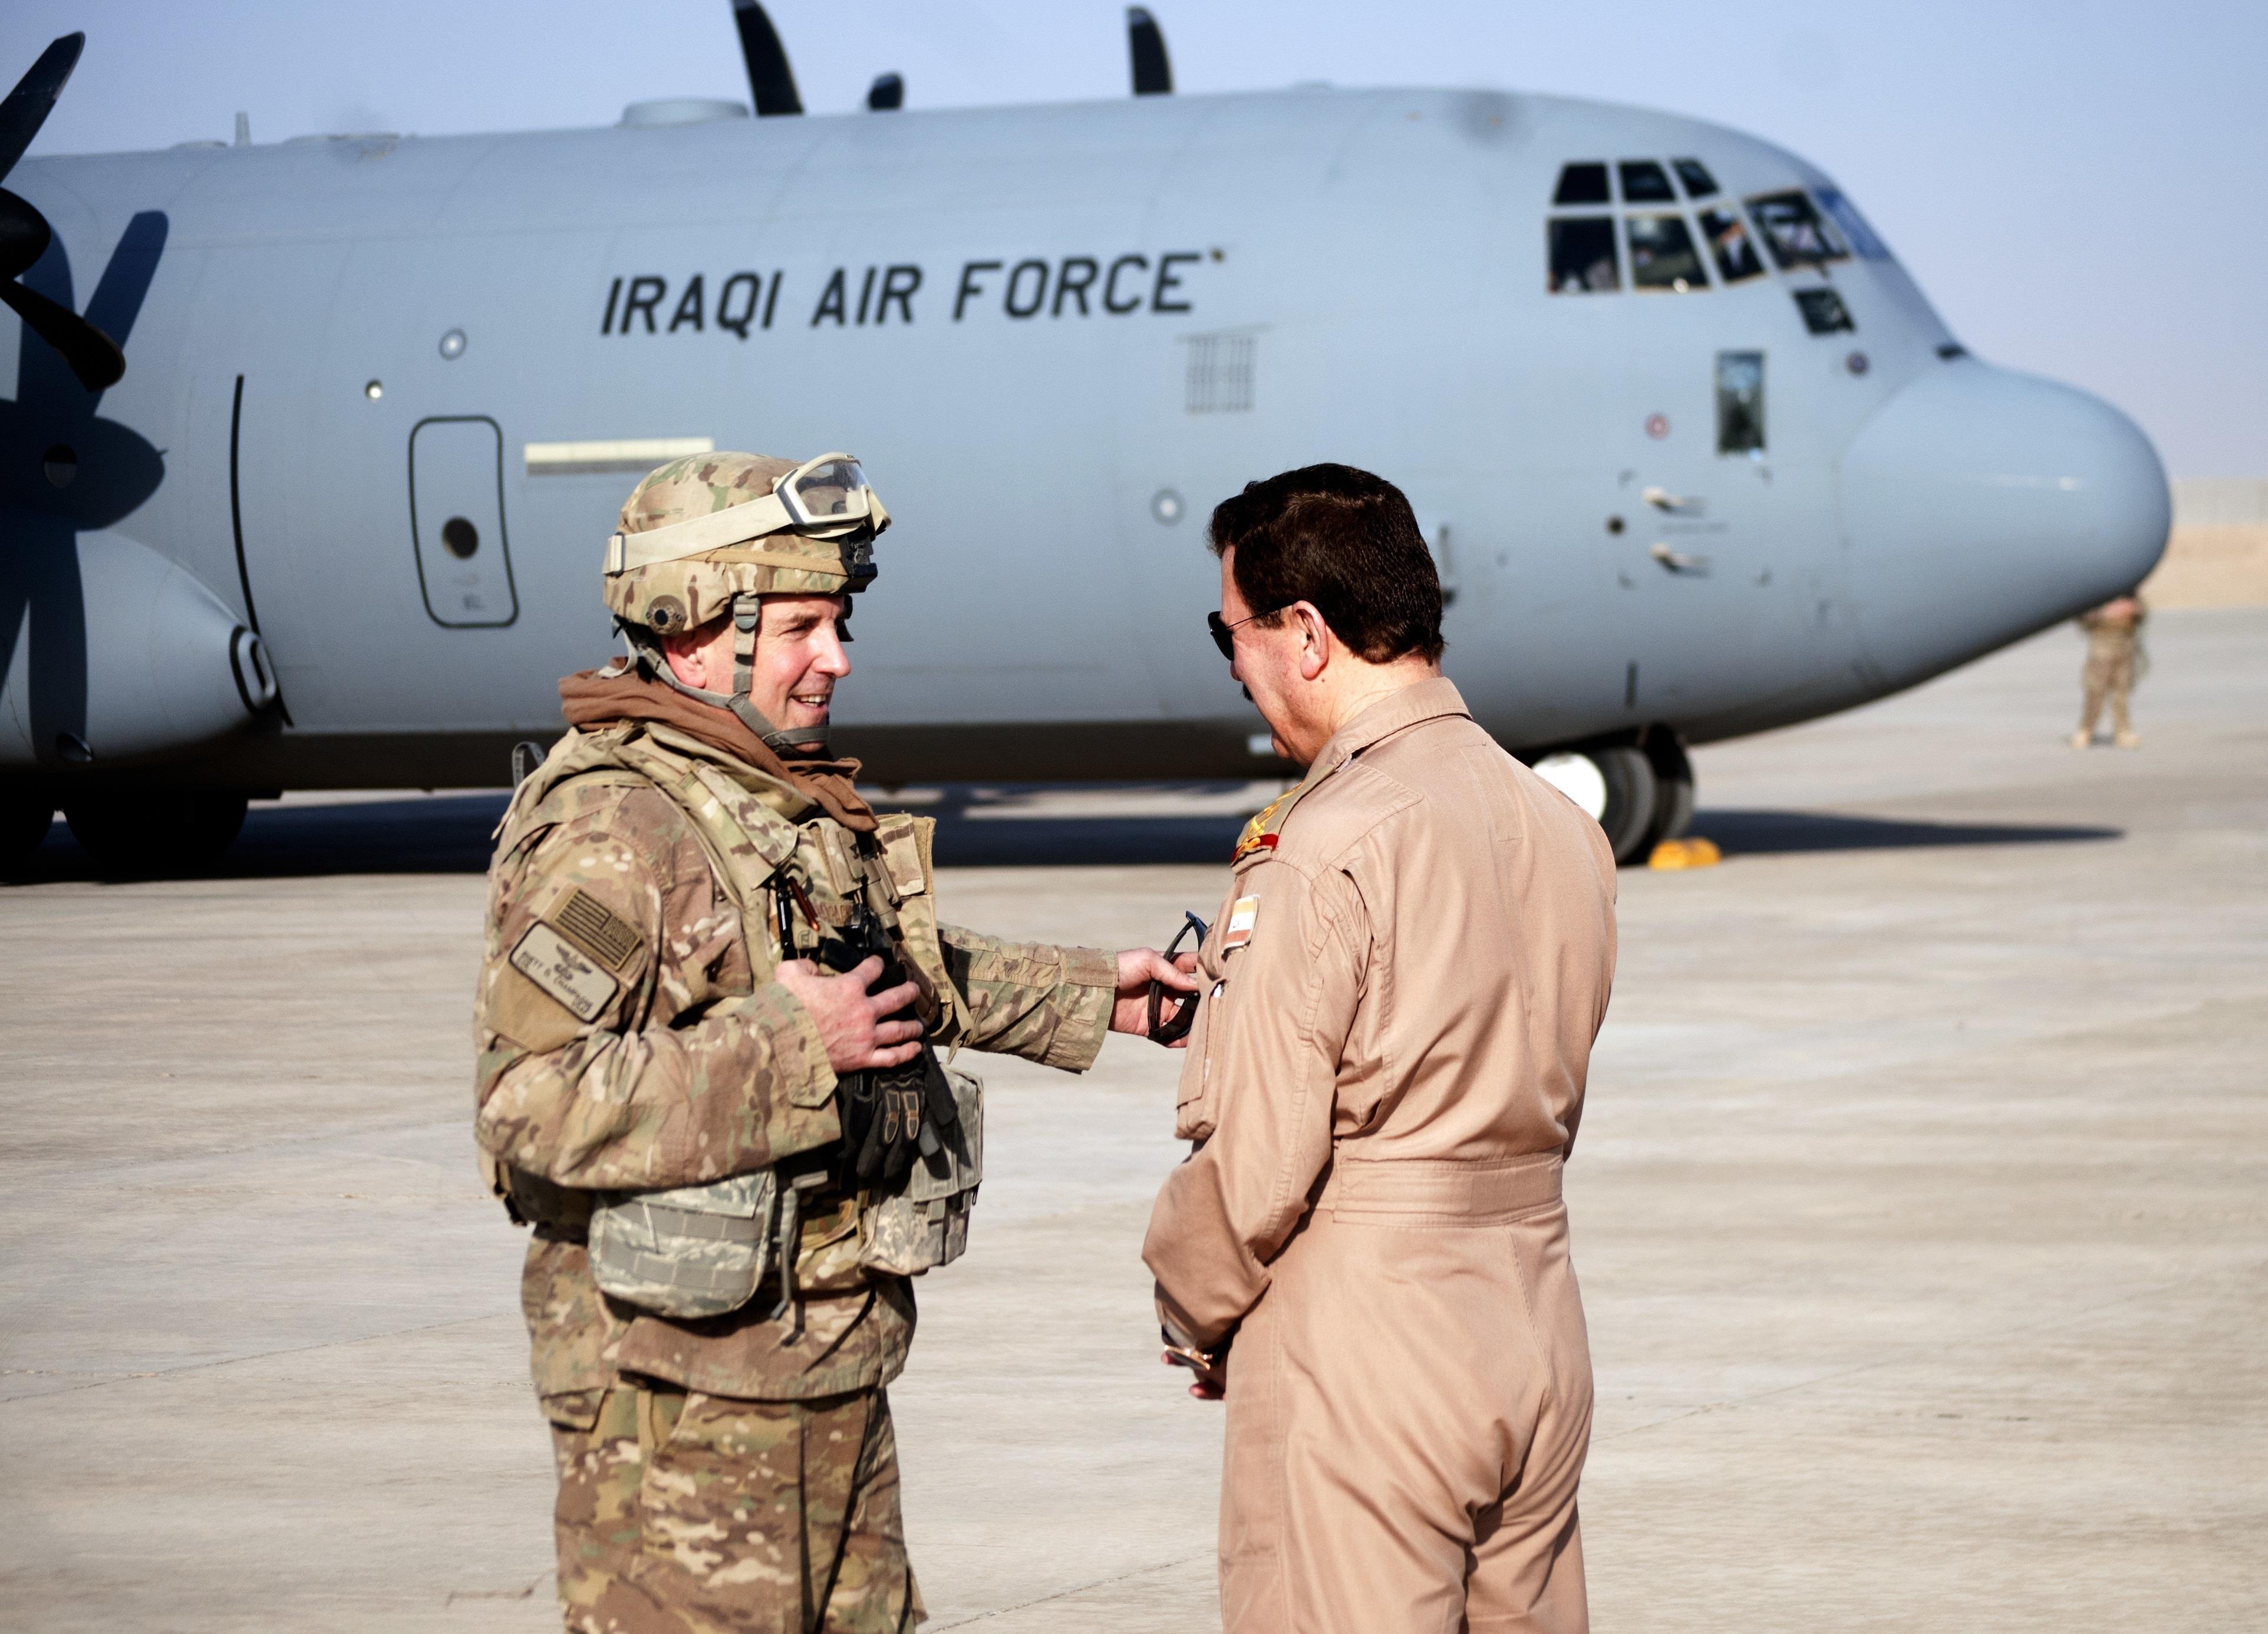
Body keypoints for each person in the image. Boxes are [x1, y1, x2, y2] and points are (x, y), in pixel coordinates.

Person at [473, 450, 1194, 1634]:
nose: (836, 658)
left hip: (825, 1364)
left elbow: (875, 969)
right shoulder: (615, 823)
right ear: (689, 626)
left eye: (840, 621)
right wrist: (793, 1050)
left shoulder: (764, 797)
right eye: (802, 624)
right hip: (678, 1406)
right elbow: (530, 1103)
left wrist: (1090, 990)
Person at [1142, 464, 1620, 1634]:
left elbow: (1259, 1163)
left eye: (1231, 634)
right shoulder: (1563, 829)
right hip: (1537, 1322)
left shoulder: (1323, 845)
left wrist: (1191, 1306)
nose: (1240, 667)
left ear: (1305, 635)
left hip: (1363, 1346)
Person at [2072, 591, 2147, 749]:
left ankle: (2123, 732)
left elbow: (2142, 613)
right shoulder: (2099, 593)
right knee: (2095, 691)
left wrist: (2135, 610)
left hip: (2125, 646)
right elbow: (2082, 618)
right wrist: (2106, 613)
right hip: (2102, 647)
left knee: (2122, 691)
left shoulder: (2129, 593)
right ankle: (2086, 730)